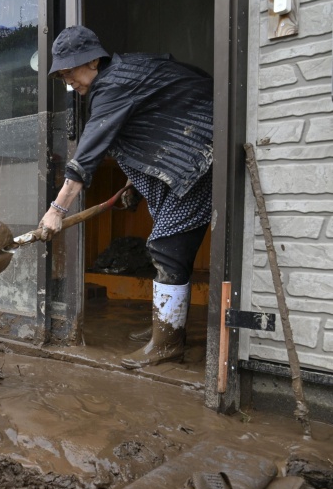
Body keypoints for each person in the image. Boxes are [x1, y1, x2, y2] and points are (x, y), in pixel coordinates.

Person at [39, 25, 213, 369]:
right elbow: (147, 128)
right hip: (184, 153)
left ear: (91, 61)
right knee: (168, 246)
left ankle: (167, 343)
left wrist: (57, 209)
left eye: (69, 70)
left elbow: (87, 153)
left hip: (198, 156)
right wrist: (135, 182)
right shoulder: (126, 73)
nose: (68, 81)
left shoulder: (114, 84)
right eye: (62, 75)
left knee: (167, 245)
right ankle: (165, 328)